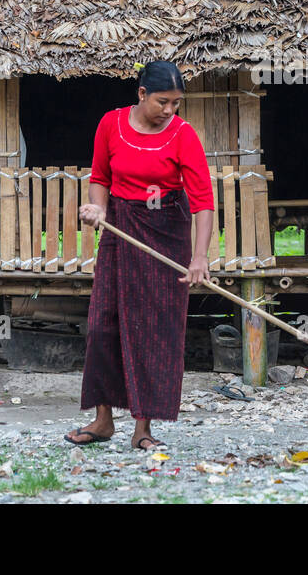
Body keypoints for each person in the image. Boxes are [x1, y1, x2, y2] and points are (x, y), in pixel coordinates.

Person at [66, 61, 214, 451]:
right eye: (163, 102)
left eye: (177, 103)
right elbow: (99, 178)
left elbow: (202, 202)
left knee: (152, 328)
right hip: (119, 229)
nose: (170, 110)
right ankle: (102, 420)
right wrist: (97, 210)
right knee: (104, 321)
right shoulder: (111, 125)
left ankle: (142, 428)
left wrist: (199, 257)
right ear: (141, 94)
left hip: (166, 230)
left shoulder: (183, 135)